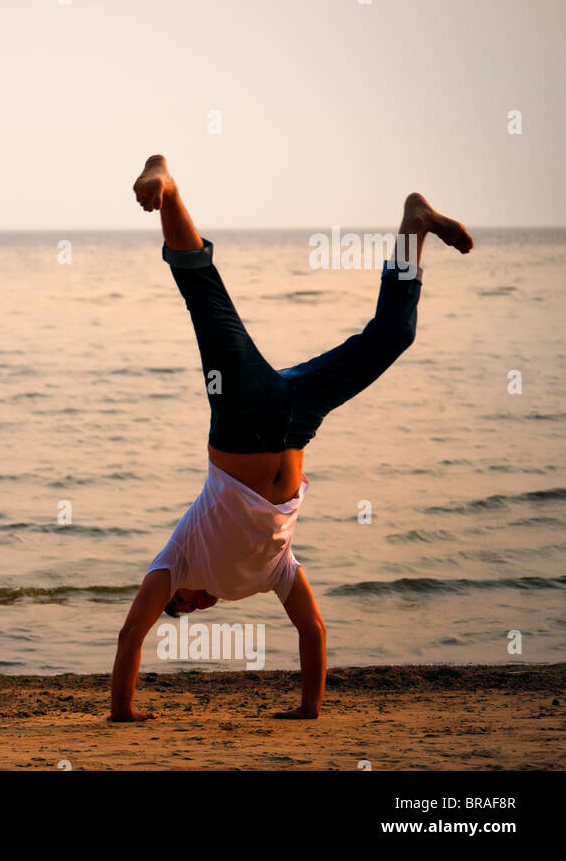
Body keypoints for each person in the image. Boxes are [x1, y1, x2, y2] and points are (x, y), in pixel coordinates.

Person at [108, 155, 473, 722]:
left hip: (244, 416)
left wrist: (121, 714)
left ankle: (168, 185)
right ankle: (414, 224)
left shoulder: (177, 561)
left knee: (206, 302)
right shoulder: (269, 571)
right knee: (392, 337)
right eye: (185, 607)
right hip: (298, 416)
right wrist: (309, 710)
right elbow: (313, 629)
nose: (188, 603)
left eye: (177, 604)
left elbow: (133, 631)